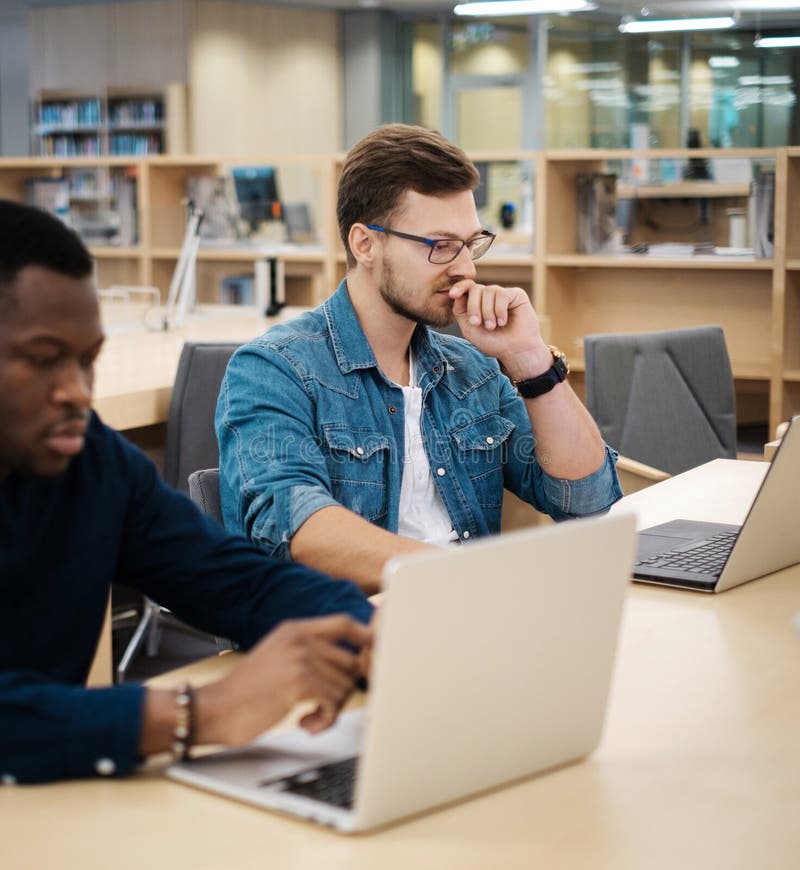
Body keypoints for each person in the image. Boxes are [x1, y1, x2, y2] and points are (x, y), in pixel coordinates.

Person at [0, 199, 373, 784]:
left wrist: (359, 636)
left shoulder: (93, 463)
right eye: (45, 360)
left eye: (87, 361)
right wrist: (199, 714)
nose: (77, 392)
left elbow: (235, 581)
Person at [217, 124, 622, 594]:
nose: (466, 268)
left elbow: (585, 499)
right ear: (365, 244)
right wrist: (466, 577)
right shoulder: (275, 370)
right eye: (440, 246)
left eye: (470, 244)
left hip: (468, 621)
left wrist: (530, 360)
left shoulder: (470, 371)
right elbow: (297, 524)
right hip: (348, 640)